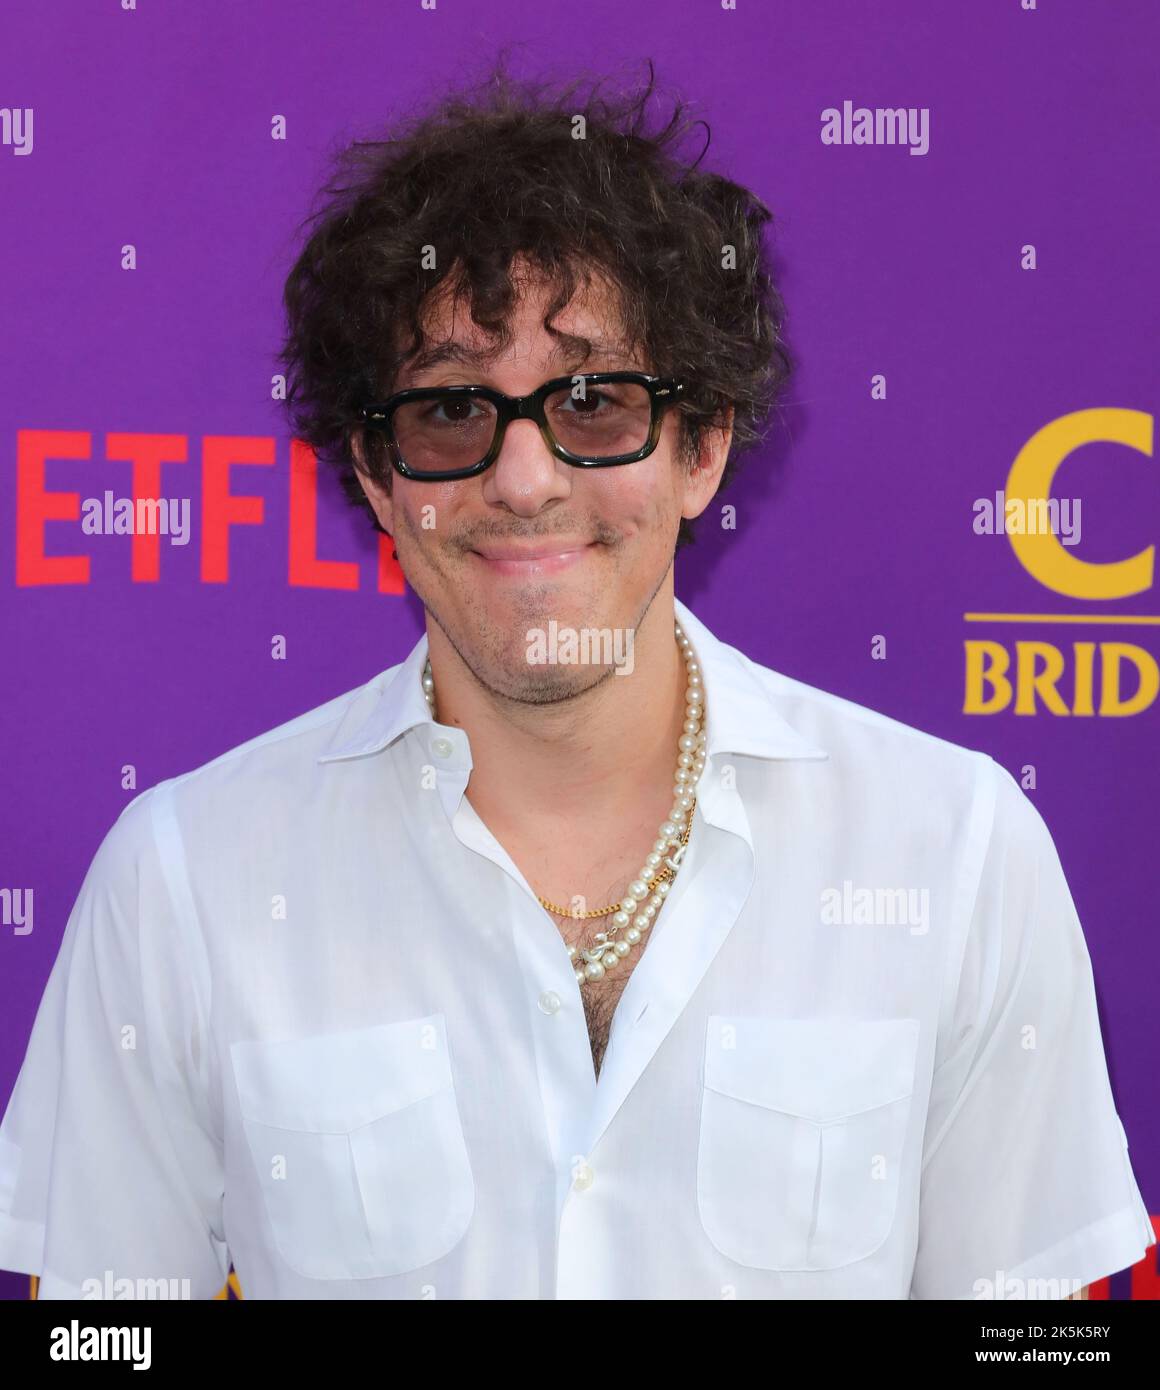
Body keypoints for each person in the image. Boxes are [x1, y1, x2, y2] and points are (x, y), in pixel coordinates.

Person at [0, 62, 1153, 1301]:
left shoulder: (954, 849)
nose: (525, 479)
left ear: (702, 444)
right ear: (380, 477)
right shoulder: (184, 879)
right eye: (449, 412)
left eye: (593, 403)